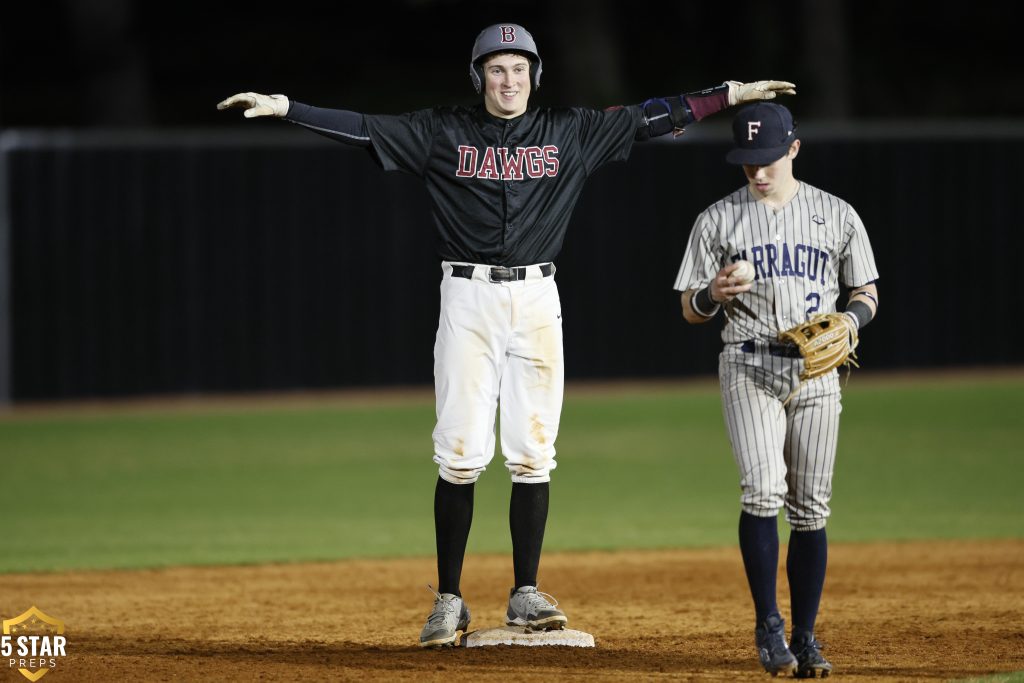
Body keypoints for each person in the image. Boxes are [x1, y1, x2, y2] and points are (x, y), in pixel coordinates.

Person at [218, 23, 795, 648]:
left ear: (534, 76)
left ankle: (525, 591)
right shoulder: (443, 132)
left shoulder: (567, 132)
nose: (509, 79)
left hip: (538, 298)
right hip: (467, 297)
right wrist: (287, 108)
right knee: (460, 452)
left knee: (533, 450)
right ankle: (448, 599)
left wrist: (728, 95)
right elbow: (364, 127)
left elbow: (649, 117)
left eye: (519, 69)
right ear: (479, 78)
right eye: (497, 69)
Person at [673, 101, 879, 677]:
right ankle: (769, 625)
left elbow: (865, 290)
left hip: (817, 373)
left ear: (793, 149)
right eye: (747, 162)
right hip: (748, 364)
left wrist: (850, 322)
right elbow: (690, 309)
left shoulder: (835, 214)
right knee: (762, 492)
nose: (757, 172)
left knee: (810, 508)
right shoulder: (717, 219)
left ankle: (807, 636)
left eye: (767, 159)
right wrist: (712, 293)